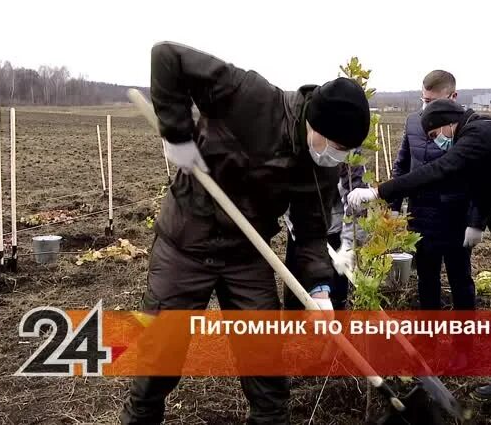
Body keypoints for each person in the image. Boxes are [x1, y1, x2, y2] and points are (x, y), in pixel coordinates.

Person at [121, 41, 370, 425]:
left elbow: (311, 232)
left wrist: (319, 289)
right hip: (186, 244)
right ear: (315, 125)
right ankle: (141, 416)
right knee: (159, 358)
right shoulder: (250, 96)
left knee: (265, 362)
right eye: (337, 147)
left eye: (345, 152)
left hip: (246, 255)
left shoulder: (320, 166)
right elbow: (167, 56)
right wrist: (178, 136)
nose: (337, 157)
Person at [347, 99, 491, 424]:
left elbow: (439, 170)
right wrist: (477, 221)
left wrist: (379, 192)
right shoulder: (477, 137)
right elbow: (456, 181)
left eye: (434, 133)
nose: (434, 141)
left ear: (448, 122)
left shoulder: (479, 134)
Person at [390, 70, 483, 311]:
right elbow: (402, 166)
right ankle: (427, 342)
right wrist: (394, 207)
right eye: (424, 100)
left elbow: (479, 178)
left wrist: (475, 221)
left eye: (433, 102)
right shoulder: (413, 122)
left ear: (453, 96)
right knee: (426, 280)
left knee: (460, 280)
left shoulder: (468, 128)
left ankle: (463, 345)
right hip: (421, 217)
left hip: (455, 218)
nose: (426, 107)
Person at [283, 151, 368, 310]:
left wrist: (349, 244)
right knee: (295, 293)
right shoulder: (292, 140)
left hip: (334, 231)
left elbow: (357, 198)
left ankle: (335, 329)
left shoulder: (348, 148)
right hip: (299, 228)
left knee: (334, 297)